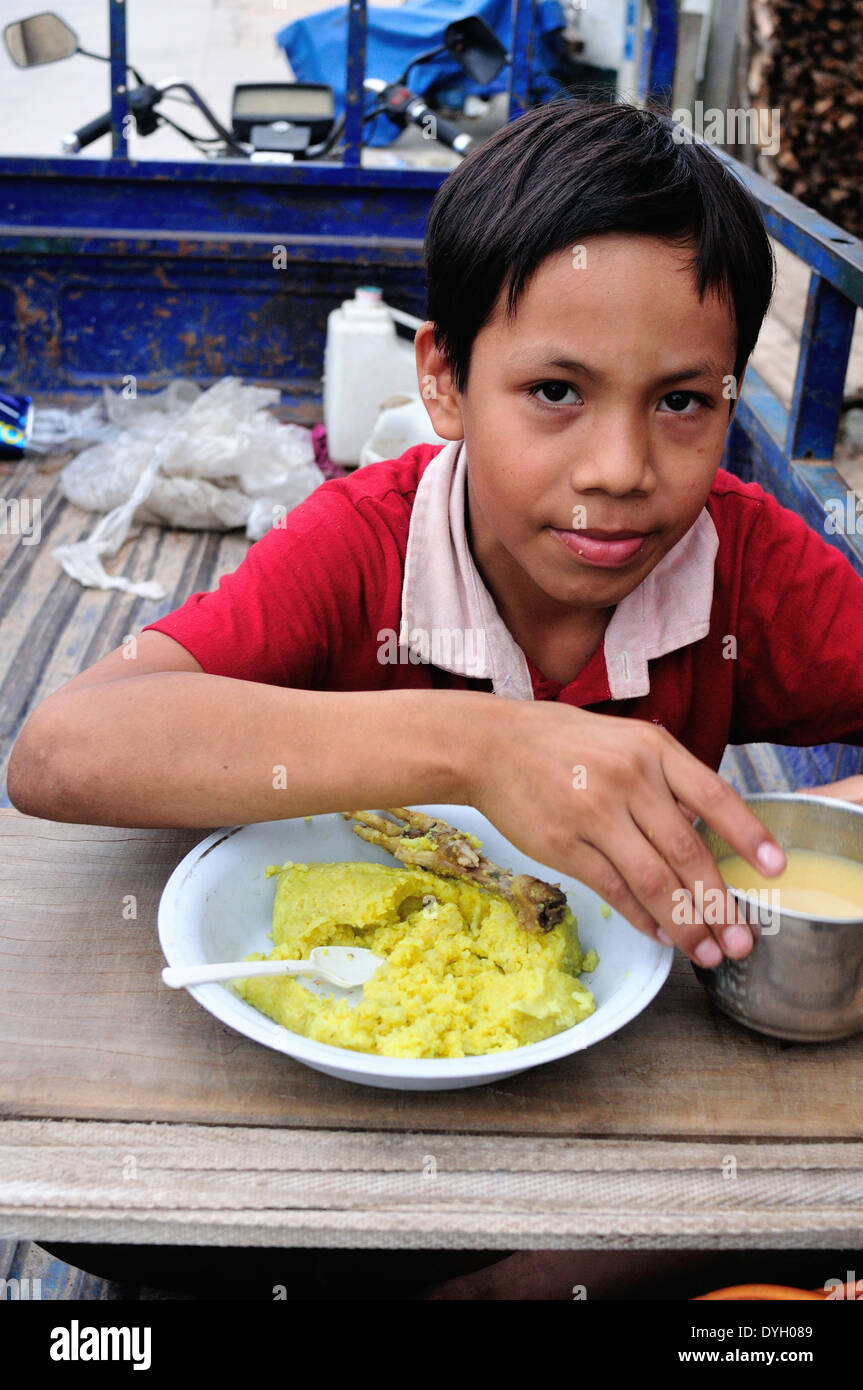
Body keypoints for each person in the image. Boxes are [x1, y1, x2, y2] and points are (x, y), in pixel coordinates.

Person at [10, 98, 863, 1300]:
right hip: (334, 1113)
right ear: (447, 380)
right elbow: (62, 750)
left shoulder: (749, 564)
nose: (618, 468)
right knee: (98, 1214)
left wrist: (825, 821)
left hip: (611, 1113)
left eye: (682, 402)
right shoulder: (362, 545)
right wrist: (475, 745)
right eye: (555, 391)